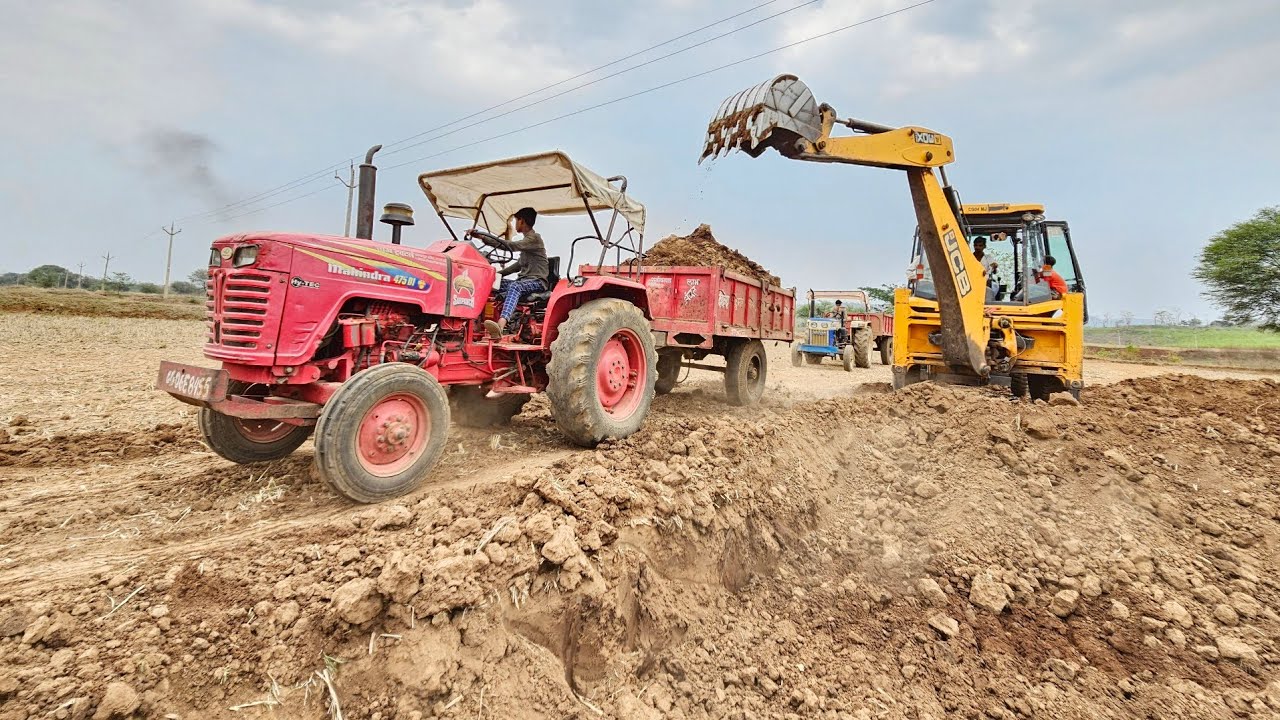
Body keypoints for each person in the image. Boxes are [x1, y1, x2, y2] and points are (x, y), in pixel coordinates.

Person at [483, 207, 548, 339]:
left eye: (516, 220)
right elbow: (517, 266)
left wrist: (484, 238)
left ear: (522, 221)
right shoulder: (527, 244)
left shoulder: (534, 239)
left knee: (515, 286)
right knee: (491, 283)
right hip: (524, 281)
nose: (515, 224)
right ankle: (478, 325)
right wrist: (495, 275)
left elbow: (510, 246)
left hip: (537, 282)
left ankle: (501, 325)